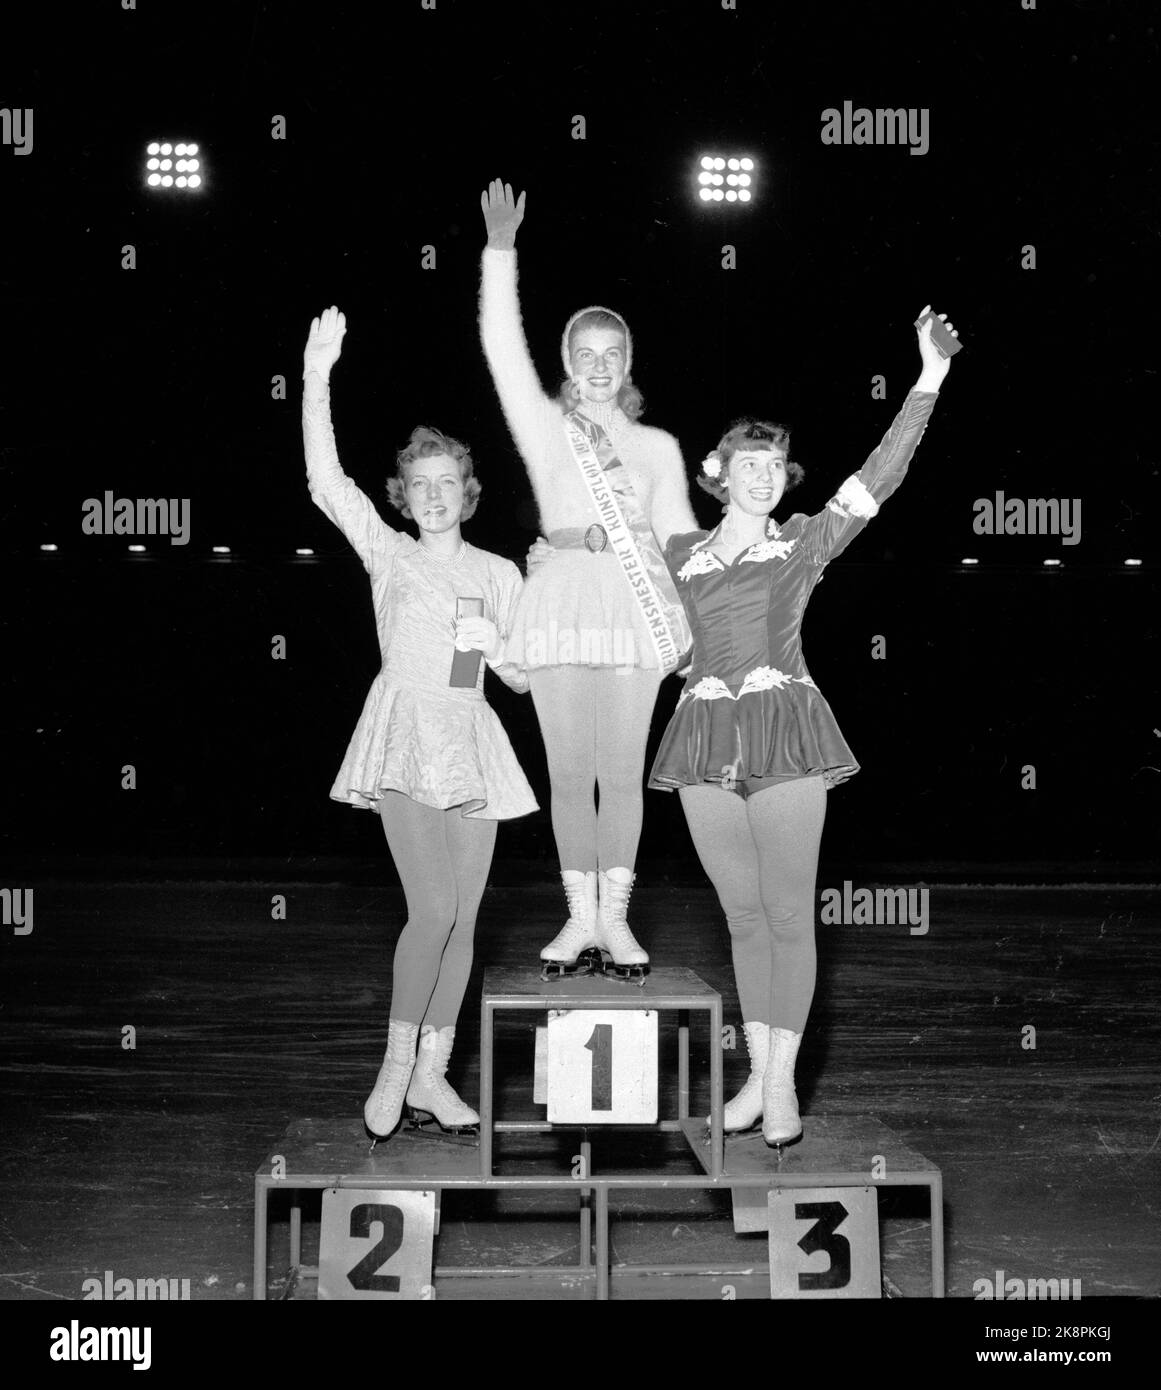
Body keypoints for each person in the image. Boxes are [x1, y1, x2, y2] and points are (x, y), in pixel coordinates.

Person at [649, 307, 958, 1145]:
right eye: (748, 463)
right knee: (742, 919)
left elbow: (882, 472)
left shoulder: (805, 543)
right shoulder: (677, 554)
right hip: (701, 740)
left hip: (786, 732)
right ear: (718, 473)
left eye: (774, 466)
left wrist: (927, 378)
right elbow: (632, 614)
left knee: (788, 916)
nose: (763, 475)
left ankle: (779, 1083)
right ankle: (756, 1076)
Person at [302, 305, 537, 1143]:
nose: (433, 497)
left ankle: (434, 1077)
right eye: (419, 485)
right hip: (404, 733)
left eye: (447, 483)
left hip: (471, 739)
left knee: (464, 920)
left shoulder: (500, 573)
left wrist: (499, 645)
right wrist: (316, 376)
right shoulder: (389, 555)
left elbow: (520, 678)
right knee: (432, 908)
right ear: (402, 497)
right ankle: (395, 1066)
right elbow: (326, 485)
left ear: (466, 492)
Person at [478, 179, 698, 976]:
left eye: (611, 355)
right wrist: (499, 253)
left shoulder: (659, 447)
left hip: (636, 611)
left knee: (622, 774)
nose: (598, 367)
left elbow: (680, 541)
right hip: (561, 601)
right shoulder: (545, 430)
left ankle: (617, 920)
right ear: (567, 365)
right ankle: (578, 919)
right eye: (584, 355)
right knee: (569, 774)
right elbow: (503, 351)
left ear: (627, 363)